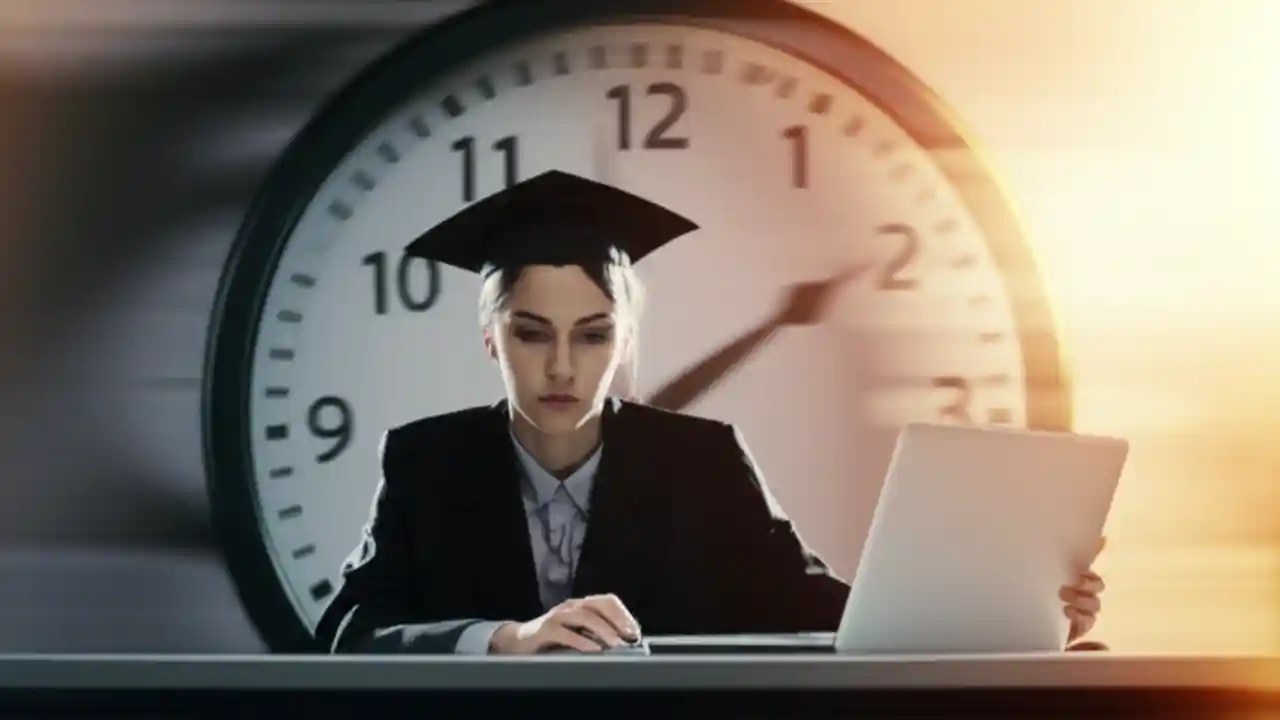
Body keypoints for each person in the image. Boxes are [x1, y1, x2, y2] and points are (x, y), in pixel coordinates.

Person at [311, 170, 1108, 655]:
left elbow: (820, 609)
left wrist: (1018, 618)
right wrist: (505, 640)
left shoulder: (701, 461)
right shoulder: (426, 460)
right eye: (531, 333)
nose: (561, 367)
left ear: (626, 343)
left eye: (593, 336)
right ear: (491, 339)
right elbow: (349, 631)